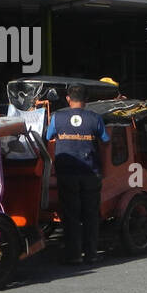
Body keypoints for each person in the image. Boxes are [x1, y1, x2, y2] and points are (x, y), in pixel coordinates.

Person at [45, 84, 110, 265]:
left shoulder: (57, 118)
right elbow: (106, 142)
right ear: (87, 100)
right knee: (90, 214)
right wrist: (103, 169)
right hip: (90, 173)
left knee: (71, 214)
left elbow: (49, 136)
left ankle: (73, 255)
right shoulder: (95, 118)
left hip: (66, 173)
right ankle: (91, 254)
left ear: (68, 99)